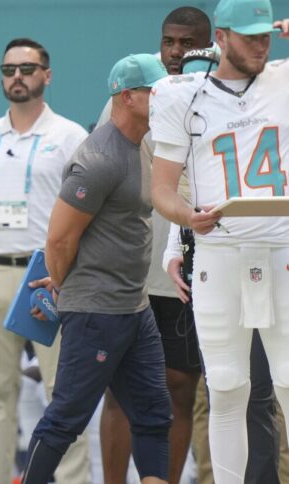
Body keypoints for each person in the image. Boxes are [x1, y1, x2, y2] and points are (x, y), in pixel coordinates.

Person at [150, 0, 289, 480]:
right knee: (228, 387)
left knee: (288, 383)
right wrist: (186, 218)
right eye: (249, 36)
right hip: (219, 251)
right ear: (223, 38)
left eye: (264, 34)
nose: (260, 45)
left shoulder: (282, 79)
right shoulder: (179, 94)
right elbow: (164, 188)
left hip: (282, 249)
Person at [21, 53, 173, 484]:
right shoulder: (99, 158)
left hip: (134, 308)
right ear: (128, 97)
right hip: (97, 313)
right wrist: (69, 288)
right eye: (156, 91)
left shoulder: (142, 144)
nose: (166, 97)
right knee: (66, 418)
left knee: (154, 416)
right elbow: (59, 239)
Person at [0, 37, 89, 484]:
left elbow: (89, 212)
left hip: (48, 275)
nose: (18, 77)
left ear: (47, 75)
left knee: (62, 395)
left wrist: (68, 277)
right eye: (9, 69)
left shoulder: (70, 136)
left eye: (28, 69)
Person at [94, 8, 210, 484]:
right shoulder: (133, 98)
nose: (176, 52)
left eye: (187, 43)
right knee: (120, 392)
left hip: (189, 272)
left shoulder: (222, 99)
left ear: (211, 46)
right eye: (169, 42)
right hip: (130, 272)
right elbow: (93, 182)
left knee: (179, 389)